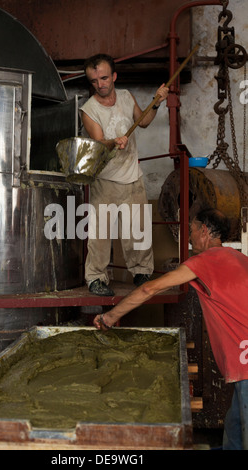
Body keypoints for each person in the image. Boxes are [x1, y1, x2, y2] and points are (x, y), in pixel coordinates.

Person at [93, 208, 248, 450]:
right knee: (235, 428)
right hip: (243, 366)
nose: (189, 236)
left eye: (192, 230)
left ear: (204, 232)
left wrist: (109, 317)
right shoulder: (240, 258)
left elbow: (149, 289)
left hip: (246, 364)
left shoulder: (205, 261)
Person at [80, 53, 169, 297]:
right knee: (100, 234)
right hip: (106, 181)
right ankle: (96, 278)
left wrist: (157, 101)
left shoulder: (127, 97)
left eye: (104, 78)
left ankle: (141, 273)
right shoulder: (88, 110)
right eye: (95, 80)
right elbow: (99, 143)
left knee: (138, 231)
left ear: (114, 76)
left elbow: (145, 121)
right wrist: (113, 141)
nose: (101, 84)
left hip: (133, 176)